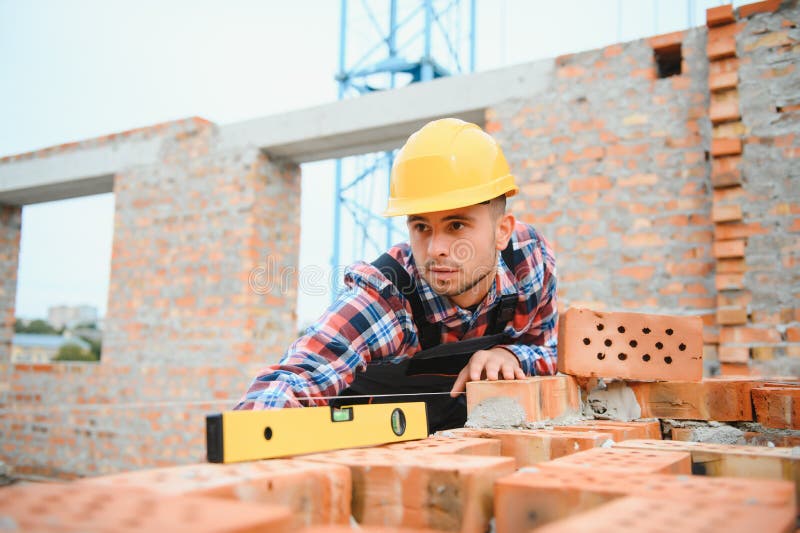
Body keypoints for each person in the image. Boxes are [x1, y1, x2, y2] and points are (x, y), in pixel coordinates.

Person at [235, 118, 558, 432]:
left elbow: (555, 355)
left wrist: (510, 355)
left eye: (456, 225)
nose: (435, 249)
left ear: (502, 231)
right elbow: (300, 375)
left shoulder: (528, 261)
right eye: (421, 227)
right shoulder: (386, 294)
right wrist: (245, 438)